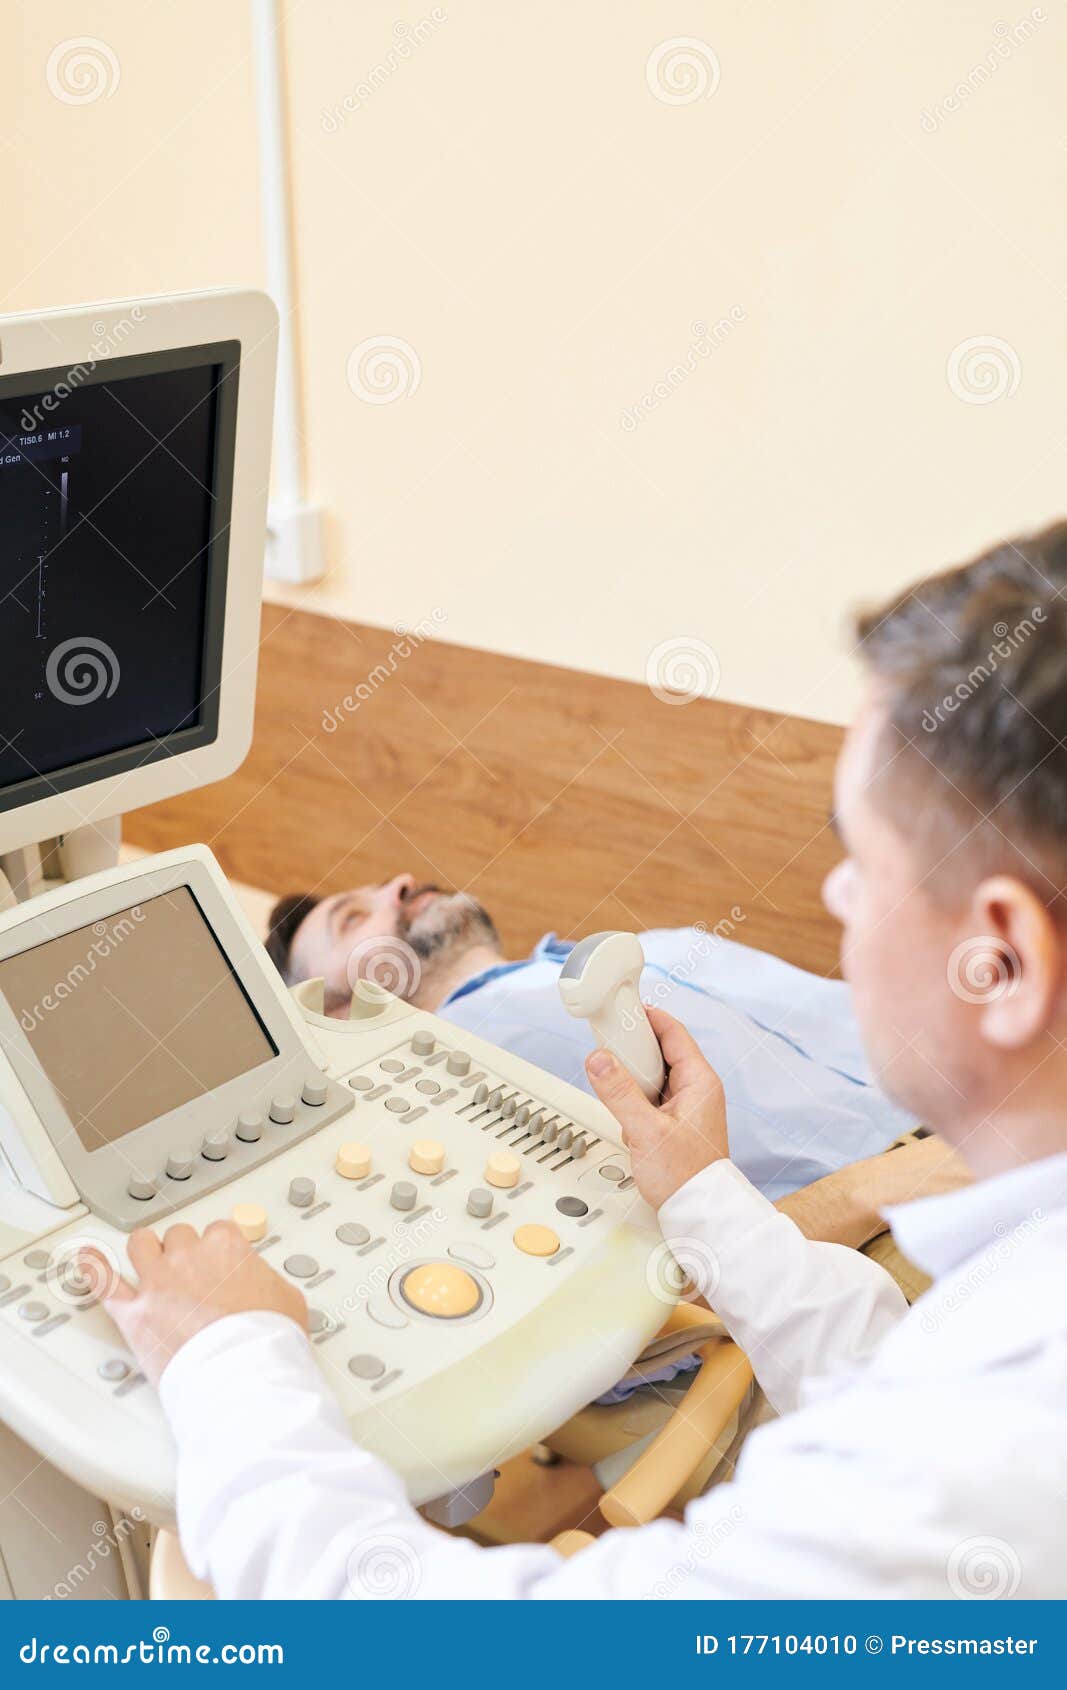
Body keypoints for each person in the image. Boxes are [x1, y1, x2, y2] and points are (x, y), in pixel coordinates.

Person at [95, 524, 1067, 1598]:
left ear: (1003, 959)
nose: (836, 899)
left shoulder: (984, 1464)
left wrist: (232, 1356)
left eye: (859, 862)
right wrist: (706, 1195)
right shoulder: (1009, 1320)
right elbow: (895, 1376)